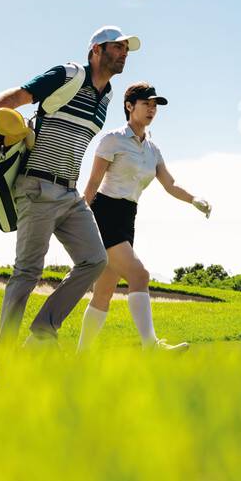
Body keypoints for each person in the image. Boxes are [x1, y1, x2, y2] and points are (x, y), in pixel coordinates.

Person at [0, 26, 139, 348]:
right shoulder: (68, 74)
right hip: (37, 187)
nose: (124, 53)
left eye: (127, 49)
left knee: (95, 260)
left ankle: (43, 331)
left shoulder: (107, 95)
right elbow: (19, 96)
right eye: (118, 47)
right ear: (97, 50)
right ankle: (6, 348)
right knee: (28, 271)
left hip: (70, 193)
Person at [76, 82, 211, 353]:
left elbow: (170, 184)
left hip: (127, 218)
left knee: (103, 292)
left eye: (155, 105)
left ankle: (81, 357)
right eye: (147, 103)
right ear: (129, 106)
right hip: (104, 214)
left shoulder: (153, 150)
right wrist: (78, 220)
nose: (152, 109)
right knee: (139, 274)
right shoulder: (112, 139)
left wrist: (194, 199)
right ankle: (151, 347)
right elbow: (92, 184)